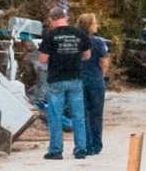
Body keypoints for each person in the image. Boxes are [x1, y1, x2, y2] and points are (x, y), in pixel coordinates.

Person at [38, 8, 90, 160]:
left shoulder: (50, 35)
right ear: (65, 18)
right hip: (75, 78)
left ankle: (56, 150)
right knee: (78, 115)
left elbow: (42, 59)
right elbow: (87, 55)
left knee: (55, 115)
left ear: (52, 19)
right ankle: (81, 149)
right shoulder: (79, 33)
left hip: (56, 80)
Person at [79, 11, 113, 158]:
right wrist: (103, 75)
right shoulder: (98, 42)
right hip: (95, 79)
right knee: (96, 113)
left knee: (82, 113)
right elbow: (105, 61)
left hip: (79, 79)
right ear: (89, 25)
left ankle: (86, 145)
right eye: (94, 23)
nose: (97, 25)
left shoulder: (75, 41)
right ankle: (96, 144)